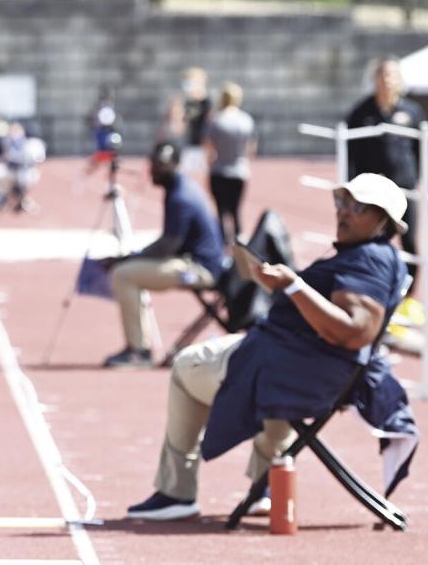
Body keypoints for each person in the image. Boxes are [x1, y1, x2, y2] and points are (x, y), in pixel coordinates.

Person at [127, 173, 408, 520]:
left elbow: (353, 332)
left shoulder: (370, 260)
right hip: (304, 366)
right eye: (342, 202)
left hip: (302, 372)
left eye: (358, 207)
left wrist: (293, 286)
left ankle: (176, 491)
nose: (344, 213)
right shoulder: (370, 255)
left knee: (186, 366)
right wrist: (281, 283)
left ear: (383, 221)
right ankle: (267, 485)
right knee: (268, 373)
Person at [102, 142, 223, 368]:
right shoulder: (179, 186)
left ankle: (138, 351)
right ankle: (140, 346)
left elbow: (168, 246)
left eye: (161, 167)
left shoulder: (180, 196)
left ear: (175, 165)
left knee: (123, 274)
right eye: (154, 165)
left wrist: (127, 259)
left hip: (200, 269)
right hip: (192, 261)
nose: (155, 171)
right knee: (126, 271)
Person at [347, 57, 425, 285]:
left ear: (399, 80)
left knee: (409, 241)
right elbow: (352, 152)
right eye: (382, 75)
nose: (387, 81)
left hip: (405, 189)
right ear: (374, 79)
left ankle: (408, 295)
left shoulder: (412, 112)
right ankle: (376, 289)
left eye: (391, 75)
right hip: (374, 193)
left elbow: (419, 148)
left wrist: (415, 178)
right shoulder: (360, 113)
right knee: (373, 241)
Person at [203, 81, 256, 244]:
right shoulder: (246, 120)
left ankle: (222, 244)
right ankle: (239, 245)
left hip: (219, 171)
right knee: (235, 211)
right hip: (239, 171)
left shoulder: (216, 120)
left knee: (221, 211)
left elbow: (209, 149)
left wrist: (211, 165)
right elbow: (251, 149)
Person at [180, 67, 211, 175]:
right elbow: (183, 125)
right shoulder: (189, 103)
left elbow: (209, 122)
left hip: (202, 145)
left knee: (202, 173)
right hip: (190, 144)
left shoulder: (206, 102)